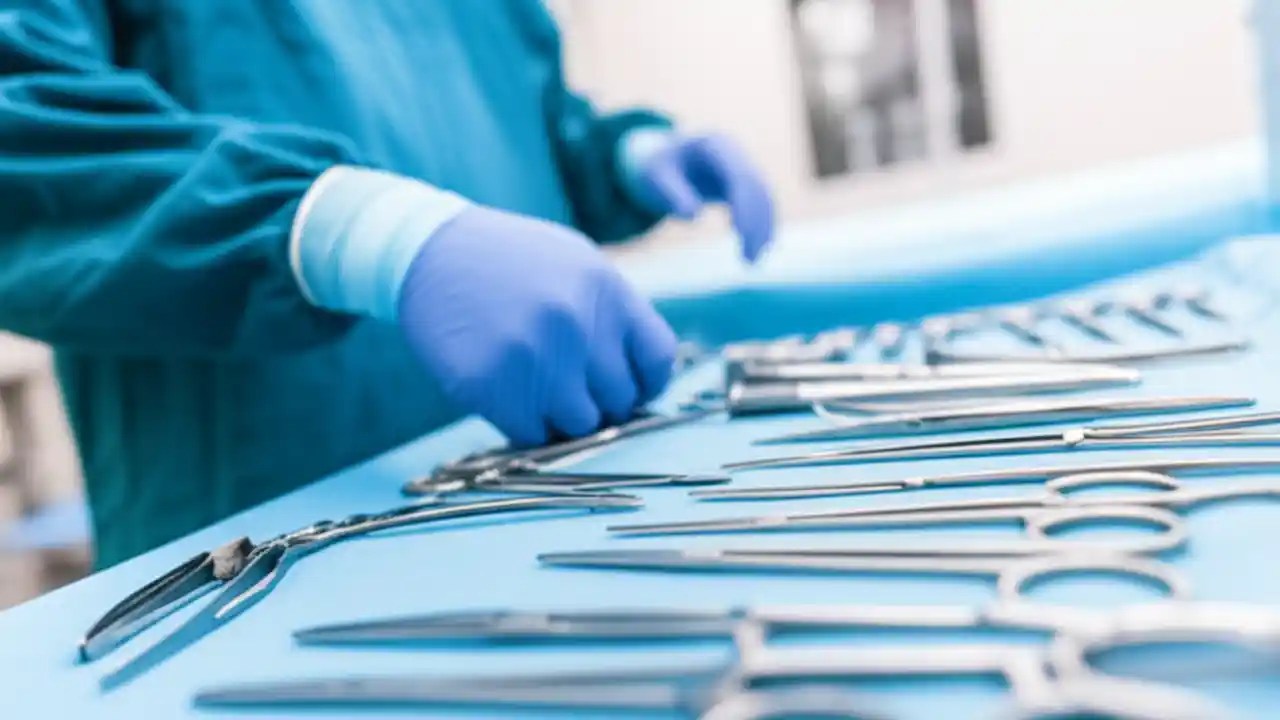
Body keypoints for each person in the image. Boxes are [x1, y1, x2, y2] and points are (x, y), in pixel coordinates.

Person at [0, 1, 775, 567]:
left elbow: (519, 123)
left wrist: (622, 162)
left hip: (545, 497)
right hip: (256, 556)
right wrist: (352, 231)